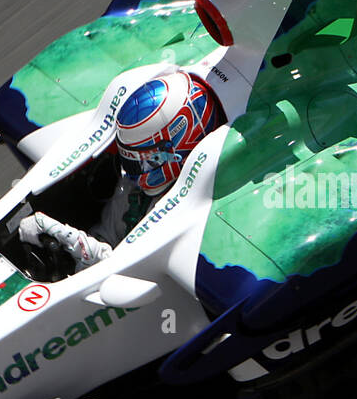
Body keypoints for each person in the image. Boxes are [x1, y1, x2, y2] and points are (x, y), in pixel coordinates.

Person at [18, 70, 221, 270]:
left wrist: (77, 244)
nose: (132, 172)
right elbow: (106, 236)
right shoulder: (131, 187)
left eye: (143, 160)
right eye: (128, 158)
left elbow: (135, 273)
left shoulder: (192, 214)